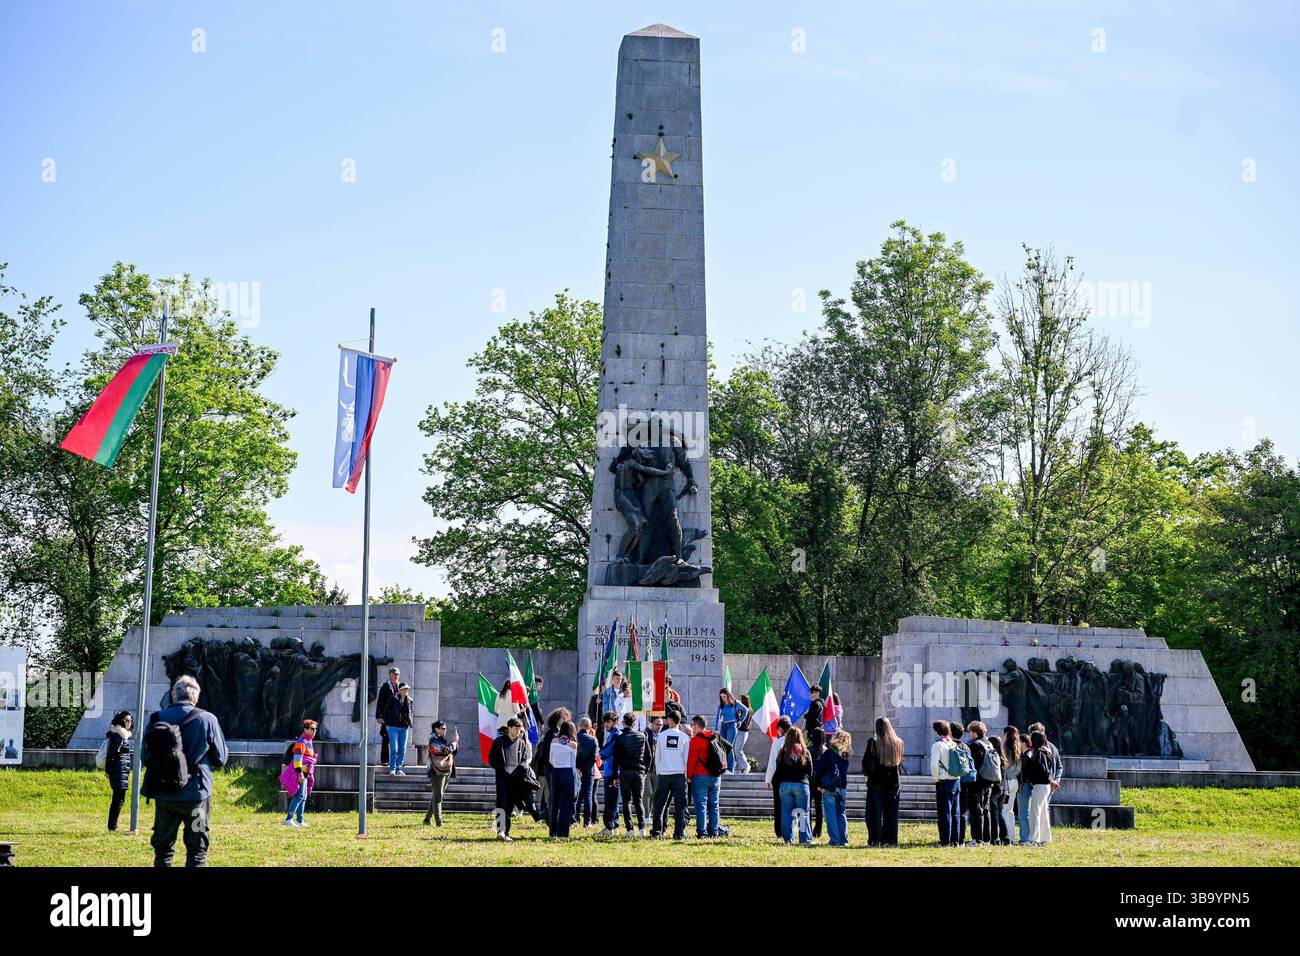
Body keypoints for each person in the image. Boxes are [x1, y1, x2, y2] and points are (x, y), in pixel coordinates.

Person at [142, 675, 229, 867]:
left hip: (164, 795)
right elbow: (221, 759)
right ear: (196, 697)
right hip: (197, 796)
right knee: (197, 851)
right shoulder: (207, 719)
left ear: (174, 695)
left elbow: (144, 756)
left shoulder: (156, 718)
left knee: (163, 851)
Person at [488, 718, 532, 841]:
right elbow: (492, 759)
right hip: (502, 779)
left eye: (520, 729)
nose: (518, 731)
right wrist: (502, 770)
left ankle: (505, 832)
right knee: (501, 803)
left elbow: (523, 760)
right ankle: (500, 830)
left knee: (510, 806)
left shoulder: (521, 743)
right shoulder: (499, 742)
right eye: (516, 728)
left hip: (515, 780)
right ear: (509, 728)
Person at [863, 715, 903, 847]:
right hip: (893, 782)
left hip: (876, 782)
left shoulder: (873, 742)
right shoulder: (898, 742)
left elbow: (866, 763)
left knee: (874, 813)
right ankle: (891, 840)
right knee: (891, 813)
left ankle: (875, 839)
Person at [650, 712, 690, 839]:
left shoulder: (662, 735)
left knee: (659, 804)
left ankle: (657, 831)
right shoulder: (684, 737)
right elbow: (686, 759)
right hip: (679, 774)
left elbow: (657, 756)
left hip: (664, 774)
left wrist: (659, 771)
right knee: (680, 806)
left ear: (671, 720)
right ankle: (679, 832)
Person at [611, 712, 651, 836]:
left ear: (624, 722)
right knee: (638, 800)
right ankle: (642, 828)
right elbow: (649, 756)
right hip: (639, 771)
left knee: (626, 801)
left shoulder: (620, 738)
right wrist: (646, 771)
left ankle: (629, 829)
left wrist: (615, 776)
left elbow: (616, 759)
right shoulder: (642, 736)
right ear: (634, 723)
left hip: (625, 771)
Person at [773, 726, 813, 845]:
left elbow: (778, 770)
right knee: (802, 813)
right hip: (801, 785)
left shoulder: (782, 752)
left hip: (785, 785)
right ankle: (804, 839)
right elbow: (810, 771)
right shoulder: (805, 752)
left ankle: (788, 839)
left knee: (786, 813)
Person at [686, 715, 722, 838]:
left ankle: (701, 831)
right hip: (716, 776)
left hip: (700, 776)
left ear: (696, 725)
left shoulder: (696, 740)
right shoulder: (714, 737)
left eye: (692, 726)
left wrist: (689, 776)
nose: (692, 728)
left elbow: (692, 761)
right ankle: (714, 830)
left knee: (701, 805)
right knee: (714, 805)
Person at [815, 729, 851, 846]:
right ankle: (844, 840)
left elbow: (819, 770)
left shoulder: (829, 753)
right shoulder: (845, 755)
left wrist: (820, 785)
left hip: (829, 788)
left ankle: (834, 840)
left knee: (830, 815)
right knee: (841, 813)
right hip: (842, 788)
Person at [929, 719, 961, 847]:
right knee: (955, 812)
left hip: (944, 780)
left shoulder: (937, 745)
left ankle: (945, 841)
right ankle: (955, 840)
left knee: (944, 812)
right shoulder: (953, 743)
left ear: (936, 731)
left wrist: (936, 779)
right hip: (956, 780)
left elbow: (934, 766)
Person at [965, 720, 998, 844]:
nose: (969, 735)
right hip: (989, 780)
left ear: (975, 732)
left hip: (978, 781)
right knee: (986, 809)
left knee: (976, 810)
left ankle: (977, 839)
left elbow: (974, 764)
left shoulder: (975, 745)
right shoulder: (989, 743)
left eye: (970, 732)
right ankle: (986, 838)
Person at [282, 719, 318, 828]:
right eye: (312, 729)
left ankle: (300, 820)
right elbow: (298, 759)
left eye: (315, 729)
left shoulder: (308, 742)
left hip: (306, 773)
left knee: (303, 797)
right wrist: (300, 773)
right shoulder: (302, 742)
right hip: (300, 772)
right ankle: (288, 819)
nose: (314, 731)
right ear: (305, 729)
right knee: (299, 796)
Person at [423, 720, 458, 827]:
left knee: (436, 796)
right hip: (436, 771)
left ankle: (427, 819)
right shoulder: (433, 740)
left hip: (445, 770)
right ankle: (439, 822)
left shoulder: (441, 739)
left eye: (445, 728)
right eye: (443, 728)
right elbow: (444, 751)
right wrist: (454, 743)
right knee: (438, 797)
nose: (445, 730)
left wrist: (455, 744)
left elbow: (451, 752)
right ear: (436, 729)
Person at [1022, 730, 1054, 844]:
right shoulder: (1047, 751)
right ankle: (1045, 837)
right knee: (1043, 813)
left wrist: (1029, 767)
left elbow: (1041, 769)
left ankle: (1033, 839)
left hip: (1040, 784)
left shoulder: (1039, 752)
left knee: (1034, 812)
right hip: (1045, 785)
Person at [102, 710, 132, 832]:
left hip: (122, 771)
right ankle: (112, 827)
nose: (129, 722)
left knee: (119, 799)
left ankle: (112, 826)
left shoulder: (123, 735)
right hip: (118, 771)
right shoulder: (119, 735)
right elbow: (112, 754)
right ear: (121, 721)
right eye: (127, 720)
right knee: (118, 799)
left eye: (130, 720)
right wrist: (108, 770)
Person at [548, 720, 579, 837]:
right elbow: (573, 764)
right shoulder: (573, 744)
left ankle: (553, 831)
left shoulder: (554, 740)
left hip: (555, 772)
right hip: (567, 773)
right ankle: (563, 832)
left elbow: (551, 759)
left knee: (554, 803)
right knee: (566, 804)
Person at [763, 715, 793, 837]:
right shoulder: (797, 742)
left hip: (779, 779)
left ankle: (779, 830)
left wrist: (767, 780)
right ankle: (791, 830)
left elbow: (772, 764)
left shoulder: (778, 743)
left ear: (780, 728)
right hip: (793, 778)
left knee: (779, 805)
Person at [805, 684, 825, 836]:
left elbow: (812, 717)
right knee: (817, 804)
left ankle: (815, 829)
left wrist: (806, 715)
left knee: (815, 803)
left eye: (813, 692)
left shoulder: (817, 704)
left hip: (814, 733)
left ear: (818, 692)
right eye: (810, 692)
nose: (811, 694)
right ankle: (816, 830)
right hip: (819, 779)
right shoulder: (815, 703)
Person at [949, 720, 974, 843]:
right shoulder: (966, 747)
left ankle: (952, 837)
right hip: (966, 783)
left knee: (952, 811)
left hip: (953, 781)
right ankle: (961, 839)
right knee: (962, 812)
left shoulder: (950, 746)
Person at [714, 689, 749, 774]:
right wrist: (716, 729)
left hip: (732, 726)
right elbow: (717, 718)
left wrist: (740, 720)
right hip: (723, 726)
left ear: (728, 696)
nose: (723, 698)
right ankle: (725, 767)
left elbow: (745, 710)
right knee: (723, 747)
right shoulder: (721, 706)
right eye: (721, 697)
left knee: (729, 747)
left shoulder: (735, 703)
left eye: (724, 696)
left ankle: (730, 769)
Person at [598, 711, 623, 833]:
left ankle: (609, 827)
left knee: (611, 800)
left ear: (615, 722)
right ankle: (614, 826)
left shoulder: (616, 735)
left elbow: (605, 751)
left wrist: (601, 754)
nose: (606, 725)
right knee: (614, 800)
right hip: (613, 771)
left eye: (609, 722)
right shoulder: (613, 734)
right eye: (605, 722)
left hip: (613, 772)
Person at [384, 682, 414, 775]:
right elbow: (386, 710)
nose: (406, 691)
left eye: (407, 689)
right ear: (400, 690)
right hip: (393, 726)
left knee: (402, 749)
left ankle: (399, 768)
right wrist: (388, 721)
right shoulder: (393, 699)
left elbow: (409, 713)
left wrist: (410, 722)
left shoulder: (409, 700)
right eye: (404, 689)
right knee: (394, 748)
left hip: (404, 727)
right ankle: (392, 769)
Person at [375, 666, 401, 766]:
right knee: (386, 739)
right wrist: (379, 716)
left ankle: (397, 762)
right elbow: (380, 703)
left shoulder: (400, 687)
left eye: (397, 675)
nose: (396, 676)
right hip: (387, 718)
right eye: (394, 674)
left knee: (398, 741)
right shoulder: (385, 687)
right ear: (390, 675)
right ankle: (385, 760)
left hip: (398, 719)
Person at [575, 717, 599, 827]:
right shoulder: (593, 739)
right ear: (590, 727)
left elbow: (573, 754)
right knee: (588, 795)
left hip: (576, 770)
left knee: (577, 796)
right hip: (589, 771)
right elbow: (594, 757)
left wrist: (578, 767)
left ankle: (575, 819)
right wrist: (586, 767)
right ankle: (587, 821)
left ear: (579, 726)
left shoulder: (575, 737)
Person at [989, 735, 1011, 845]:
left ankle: (995, 838)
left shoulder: (993, 757)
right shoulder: (1003, 757)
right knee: (999, 813)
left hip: (995, 788)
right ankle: (1005, 837)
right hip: (1003, 788)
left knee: (994, 814)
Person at [1016, 731, 1033, 843]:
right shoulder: (1030, 754)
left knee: (1023, 813)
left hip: (1024, 785)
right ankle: (1026, 837)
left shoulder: (1026, 756)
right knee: (1025, 812)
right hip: (1027, 785)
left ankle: (1024, 838)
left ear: (1023, 743)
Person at [643, 715, 662, 816]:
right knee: (647, 792)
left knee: (654, 793)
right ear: (652, 724)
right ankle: (645, 815)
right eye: (657, 724)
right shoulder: (646, 734)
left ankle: (649, 814)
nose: (659, 726)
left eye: (661, 725)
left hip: (657, 769)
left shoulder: (663, 736)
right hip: (647, 769)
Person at [733, 694, 753, 773]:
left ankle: (745, 765)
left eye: (741, 699)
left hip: (742, 731)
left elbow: (742, 722)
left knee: (737, 749)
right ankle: (739, 767)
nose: (739, 701)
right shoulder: (748, 710)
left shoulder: (746, 710)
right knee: (736, 749)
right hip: (742, 732)